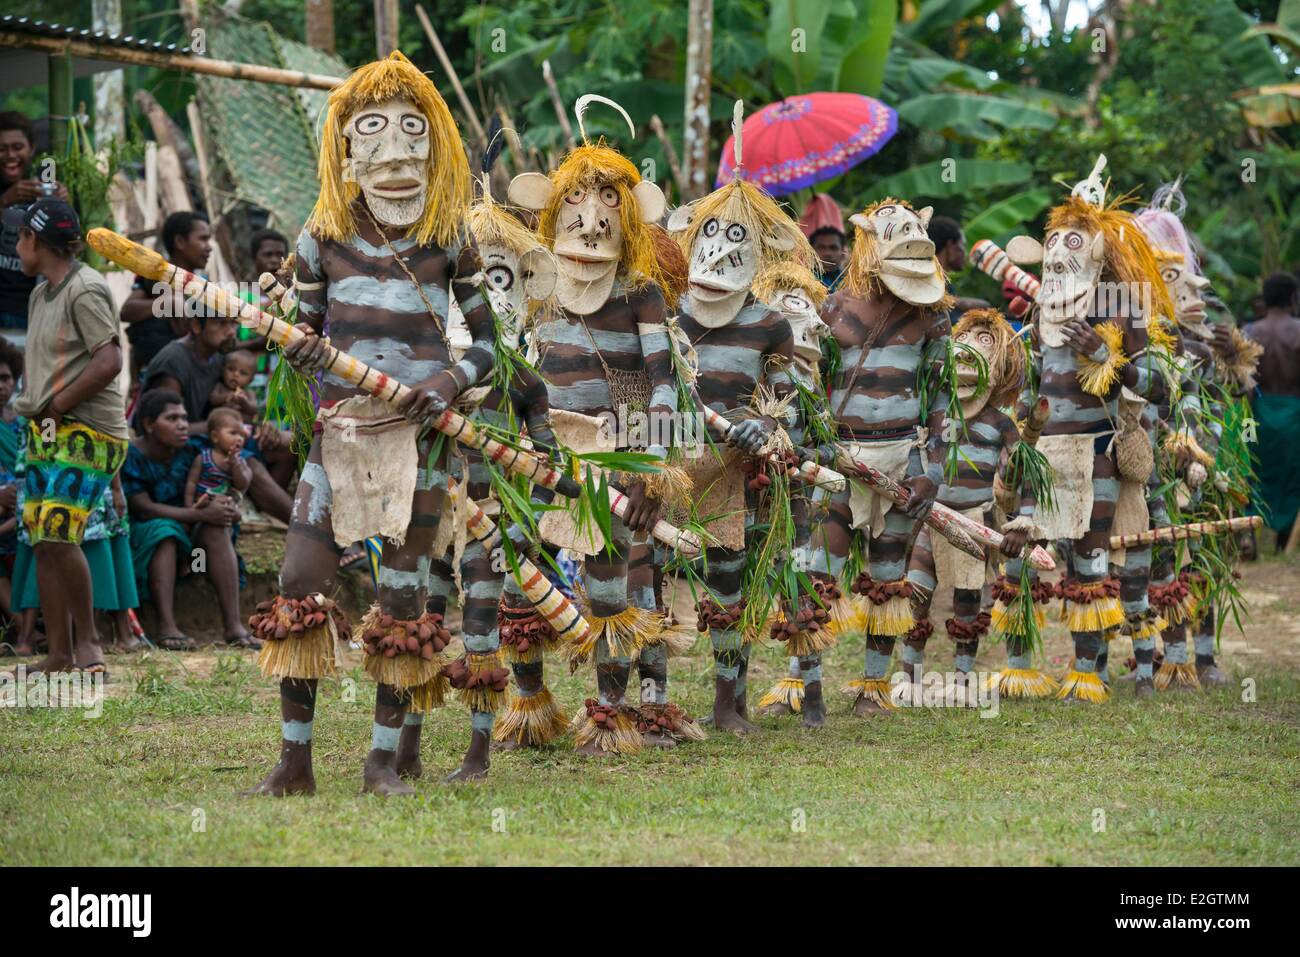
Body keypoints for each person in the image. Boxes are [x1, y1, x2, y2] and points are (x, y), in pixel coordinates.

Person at [247, 52, 513, 796]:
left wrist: (446, 380)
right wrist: (297, 348)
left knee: (402, 600)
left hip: (419, 442)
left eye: (411, 134)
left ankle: (381, 760)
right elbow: (301, 340)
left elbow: (492, 347)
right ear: (348, 152)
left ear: (435, 144)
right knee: (299, 581)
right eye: (375, 136)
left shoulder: (449, 237)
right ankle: (294, 760)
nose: (396, 157)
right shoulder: (317, 237)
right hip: (340, 435)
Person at [505, 96, 677, 757]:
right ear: (552, 205)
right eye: (576, 197)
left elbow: (661, 381)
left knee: (613, 582)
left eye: (607, 198)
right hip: (538, 450)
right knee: (515, 562)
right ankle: (529, 706)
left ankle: (609, 715)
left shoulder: (639, 290)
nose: (590, 213)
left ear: (628, 211)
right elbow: (509, 362)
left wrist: (652, 464)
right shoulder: (532, 280)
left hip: (613, 452)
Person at [4, 197, 128, 677]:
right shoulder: (41, 293)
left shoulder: (86, 288)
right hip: (45, 431)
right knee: (43, 539)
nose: (17, 245)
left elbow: (108, 360)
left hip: (87, 431)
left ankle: (89, 644)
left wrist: (57, 404)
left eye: (20, 237)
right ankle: (57, 654)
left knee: (59, 530)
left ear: (35, 240)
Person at [122, 389, 251, 650]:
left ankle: (233, 626)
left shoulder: (195, 448)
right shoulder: (132, 455)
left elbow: (228, 478)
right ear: (148, 424)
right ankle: (167, 626)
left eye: (183, 417)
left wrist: (230, 504)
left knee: (216, 528)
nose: (182, 425)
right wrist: (198, 513)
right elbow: (142, 507)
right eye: (171, 418)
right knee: (166, 533)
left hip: (194, 545)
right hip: (148, 536)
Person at [142, 310, 293, 522]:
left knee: (291, 443)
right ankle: (309, 531)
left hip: (218, 435)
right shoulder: (173, 362)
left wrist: (260, 424)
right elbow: (166, 431)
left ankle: (256, 504)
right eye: (222, 324)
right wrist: (222, 428)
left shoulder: (218, 356)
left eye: (233, 324)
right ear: (196, 325)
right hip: (189, 449)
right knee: (246, 462)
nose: (231, 332)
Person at [119, 211, 212, 376]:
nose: (209, 247)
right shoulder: (155, 275)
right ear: (180, 242)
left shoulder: (204, 286)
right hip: (155, 373)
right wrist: (167, 302)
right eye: (202, 239)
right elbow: (127, 311)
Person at [1, 112, 69, 337]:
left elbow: (69, 249)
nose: (10, 155)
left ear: (31, 148)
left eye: (18, 147)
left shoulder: (41, 190)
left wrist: (62, 211)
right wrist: (4, 201)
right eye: (2, 149)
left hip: (32, 311)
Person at [1246, 272, 1300, 547]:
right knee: (1292, 475)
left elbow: (1243, 383)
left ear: (1265, 299)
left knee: (1254, 469)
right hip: (1293, 416)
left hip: (1256, 415)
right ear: (1293, 297)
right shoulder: (1298, 331)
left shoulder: (1251, 333)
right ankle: (1283, 539)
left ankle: (1250, 532)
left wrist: (1244, 426)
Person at [185, 406, 252, 505]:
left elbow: (241, 485)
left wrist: (236, 465)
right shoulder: (203, 458)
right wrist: (189, 507)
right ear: (215, 437)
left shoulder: (241, 461)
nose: (239, 438)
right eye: (233, 433)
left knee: (237, 515)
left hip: (224, 509)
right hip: (201, 506)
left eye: (241, 435)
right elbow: (192, 483)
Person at [928, 215, 991, 316]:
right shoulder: (927, 275)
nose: (964, 254)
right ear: (950, 246)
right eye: (962, 246)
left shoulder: (944, 280)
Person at [808, 225, 847, 291]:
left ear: (843, 253)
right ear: (810, 252)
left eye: (833, 248)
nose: (827, 253)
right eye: (821, 247)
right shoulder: (799, 281)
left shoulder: (851, 284)